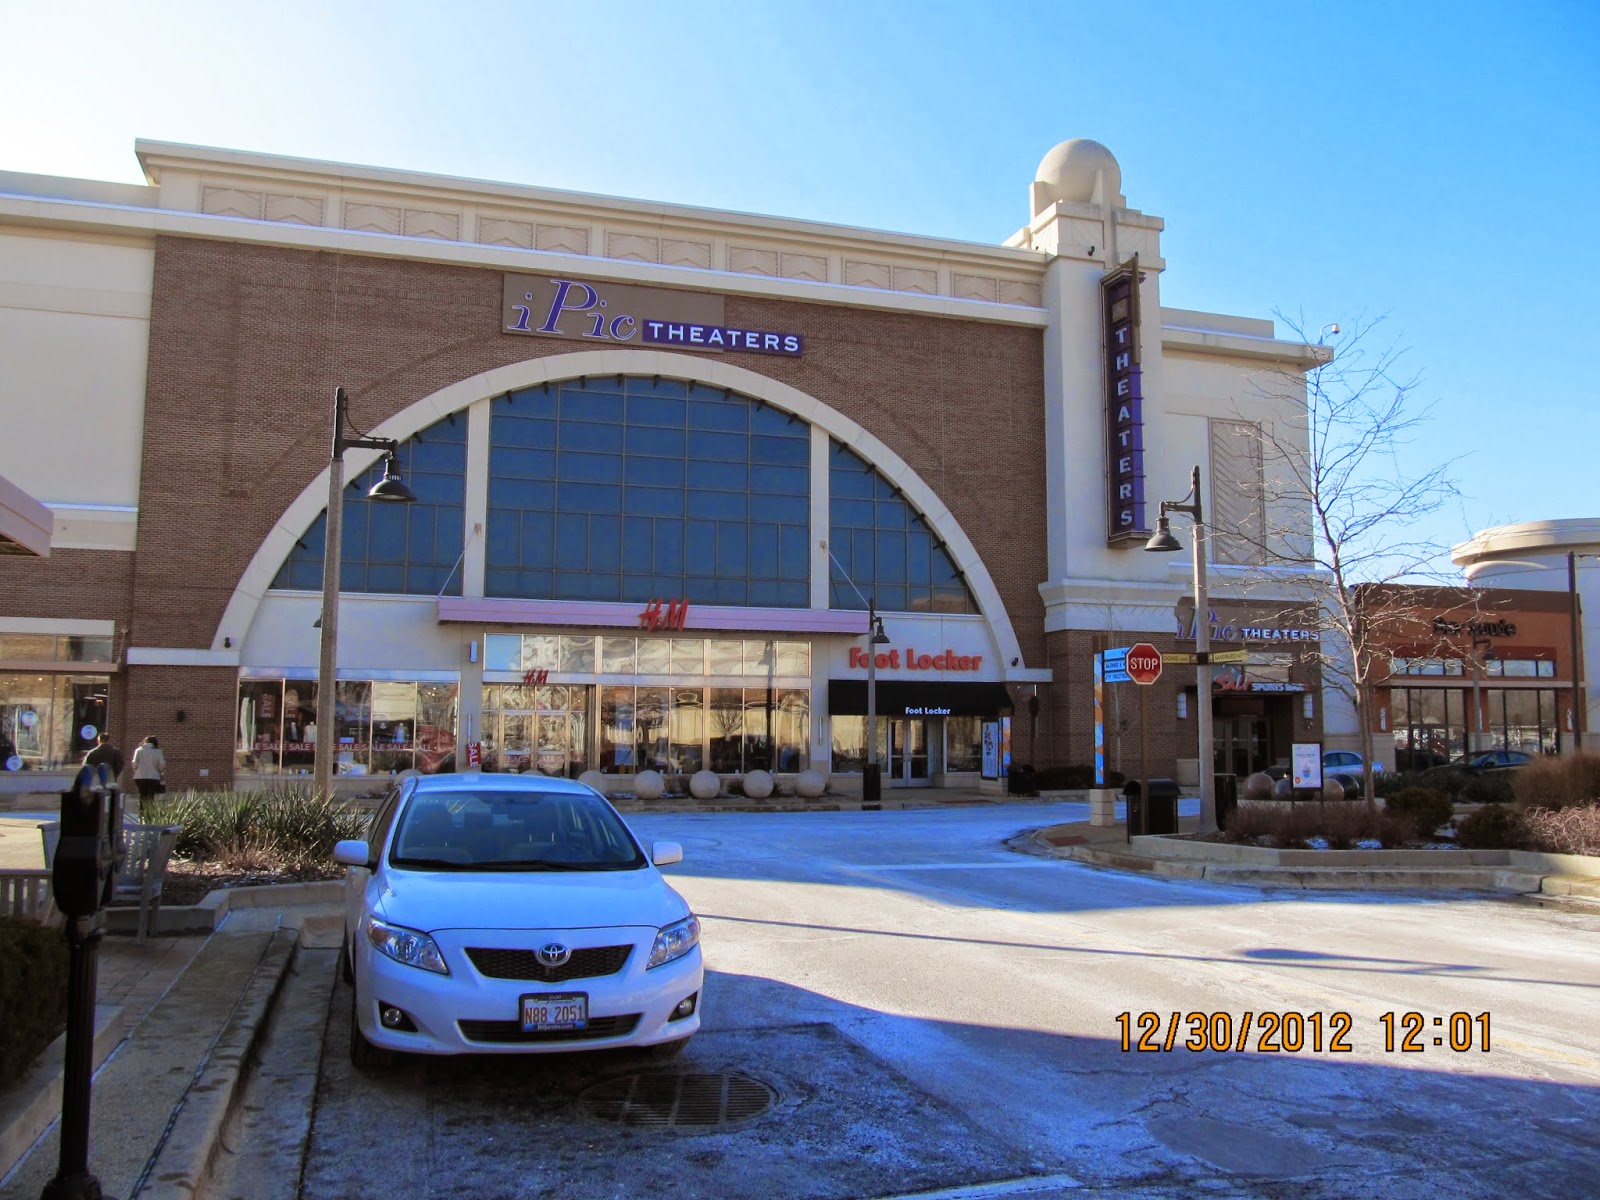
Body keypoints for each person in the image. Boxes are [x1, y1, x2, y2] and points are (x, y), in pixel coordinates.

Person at [131, 735, 167, 802]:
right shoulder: (158, 751)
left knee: (142, 795)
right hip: (154, 776)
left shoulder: (138, 750)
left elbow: (134, 762)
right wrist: (159, 771)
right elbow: (162, 763)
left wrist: (136, 770)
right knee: (151, 796)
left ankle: (141, 811)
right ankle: (149, 811)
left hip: (140, 776)